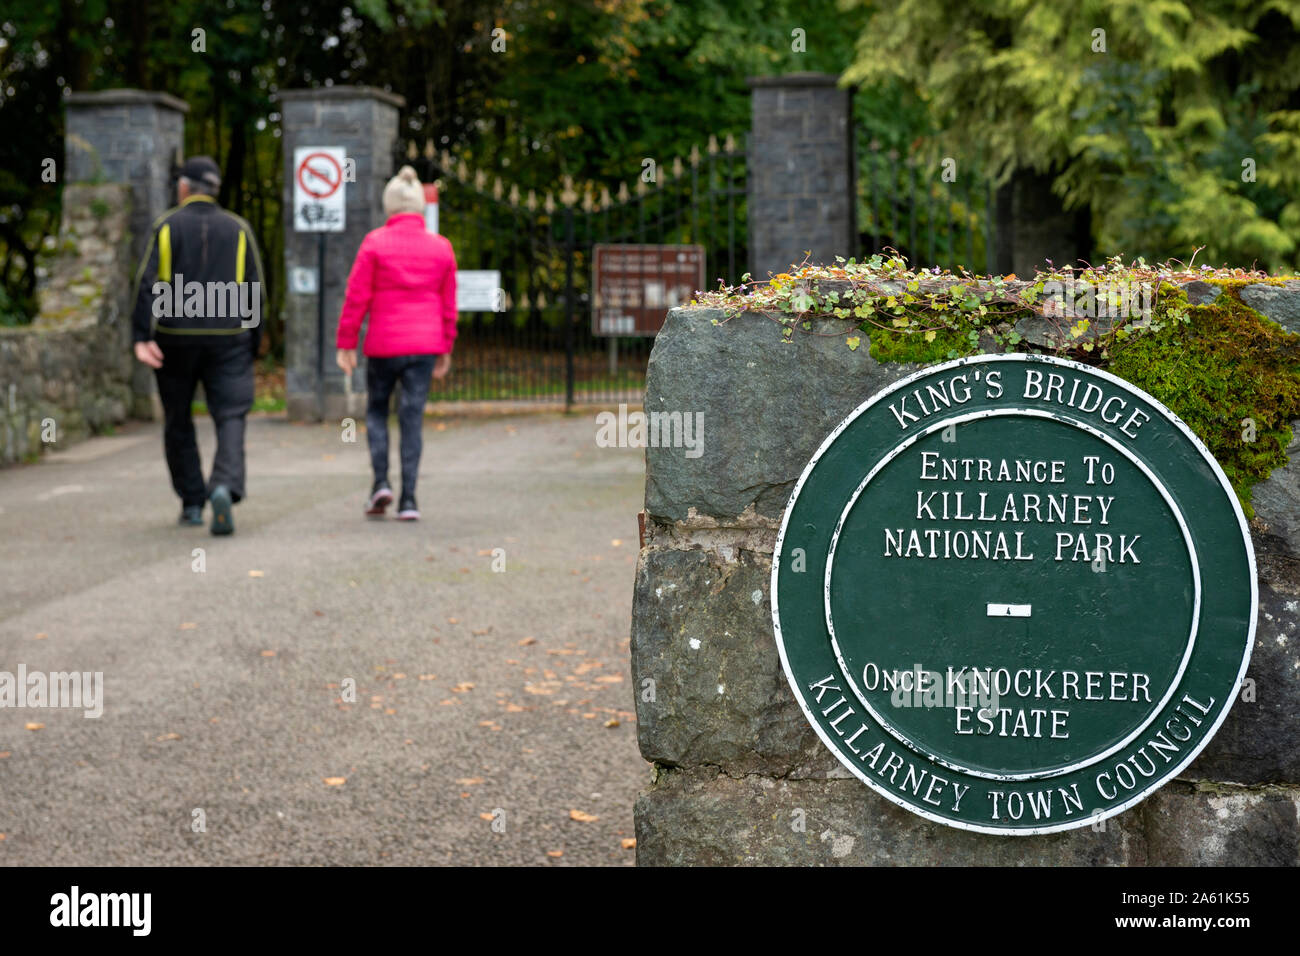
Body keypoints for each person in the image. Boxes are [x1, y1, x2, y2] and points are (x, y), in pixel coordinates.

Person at [131, 156, 265, 536]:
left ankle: (192, 502)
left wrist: (142, 336)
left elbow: (146, 282)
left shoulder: (165, 226)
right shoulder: (239, 230)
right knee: (231, 416)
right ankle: (223, 485)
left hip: (175, 338)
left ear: (185, 188)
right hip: (230, 339)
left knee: (178, 419)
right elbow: (255, 289)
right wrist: (253, 340)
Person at [335, 165, 457, 521]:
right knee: (411, 417)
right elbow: (449, 304)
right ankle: (409, 500)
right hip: (424, 346)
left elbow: (356, 297)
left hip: (383, 345)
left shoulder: (374, 243)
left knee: (376, 411)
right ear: (419, 208)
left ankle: (380, 484)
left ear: (389, 208)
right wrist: (446, 346)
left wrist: (346, 343)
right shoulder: (441, 248)